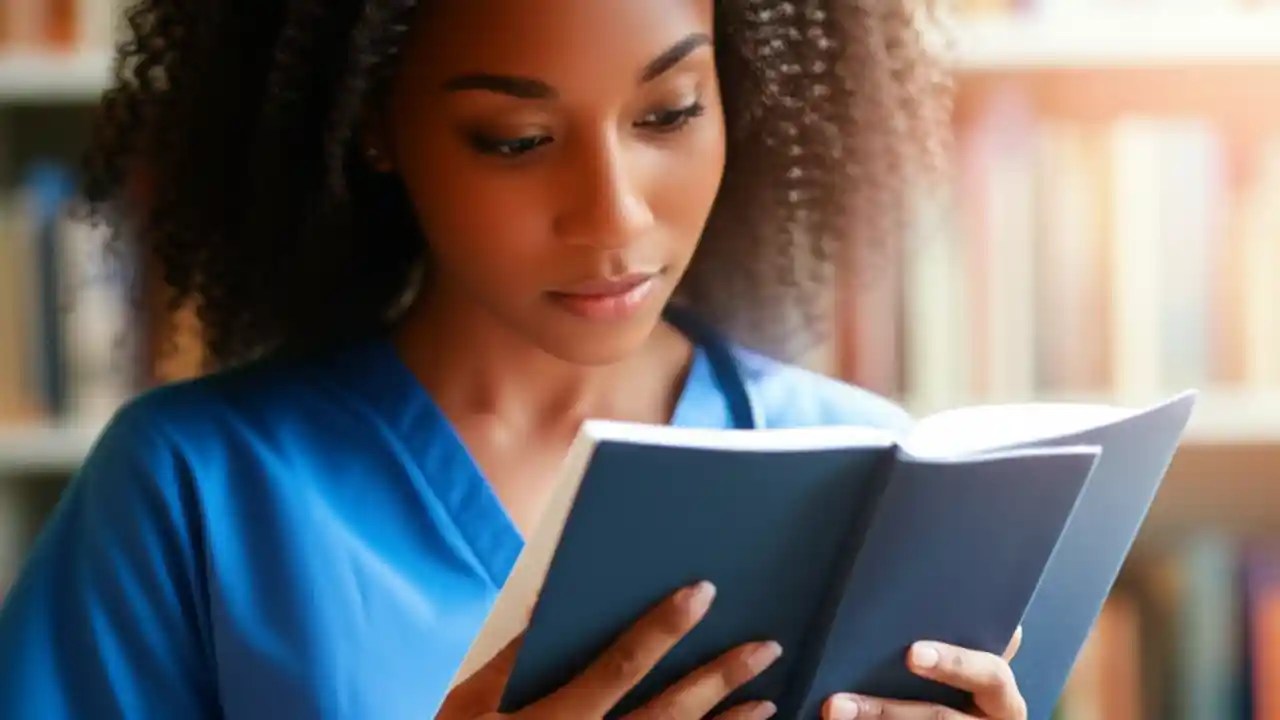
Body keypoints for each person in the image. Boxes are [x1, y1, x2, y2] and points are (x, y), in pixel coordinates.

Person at [0, 0, 1028, 718]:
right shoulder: (195, 490)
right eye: (515, 138)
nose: (613, 215)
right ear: (374, 126)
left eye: (668, 113)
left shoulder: (869, 468)